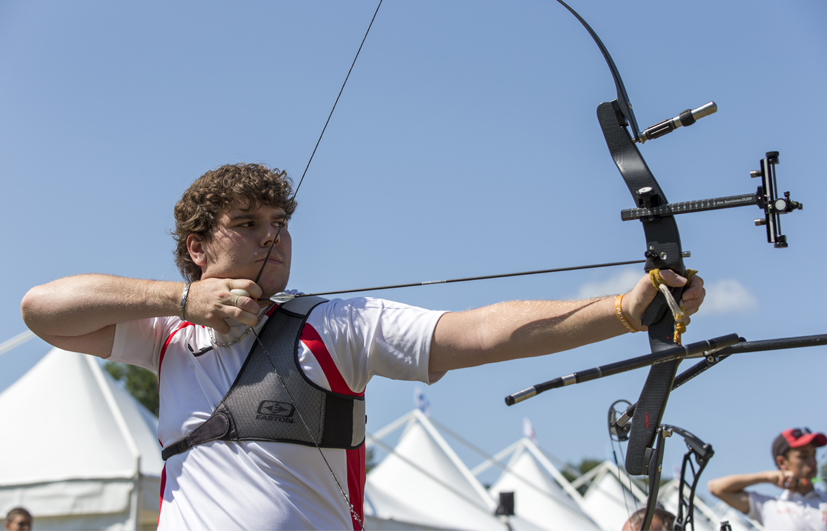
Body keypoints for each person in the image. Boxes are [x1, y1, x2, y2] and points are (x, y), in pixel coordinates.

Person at [21, 164, 706, 530]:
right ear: (197, 248)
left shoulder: (335, 324)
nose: (272, 236)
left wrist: (621, 310)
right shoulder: (163, 336)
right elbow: (41, 308)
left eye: (280, 223)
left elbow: (476, 332)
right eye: (248, 223)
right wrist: (179, 299)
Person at [708, 427, 827, 530]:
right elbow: (715, 487)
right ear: (782, 462)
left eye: (814, 455)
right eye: (804, 456)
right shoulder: (769, 506)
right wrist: (767, 477)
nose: (813, 462)